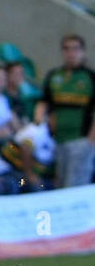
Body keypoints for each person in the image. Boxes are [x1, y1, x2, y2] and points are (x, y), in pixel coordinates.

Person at [37, 34, 95, 188]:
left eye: (75, 49)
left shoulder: (90, 77)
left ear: (83, 52)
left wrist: (90, 141)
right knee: (60, 186)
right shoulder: (54, 76)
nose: (71, 53)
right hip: (58, 141)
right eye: (67, 49)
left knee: (75, 187)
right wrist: (40, 121)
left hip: (80, 141)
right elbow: (45, 102)